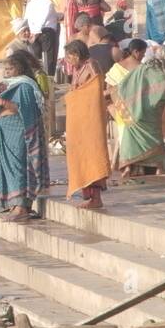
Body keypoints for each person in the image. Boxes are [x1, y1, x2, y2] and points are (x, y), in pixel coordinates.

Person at [0, 54, 49, 222]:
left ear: (20, 68)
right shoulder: (7, 86)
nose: (7, 72)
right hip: (3, 133)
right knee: (8, 169)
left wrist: (1, 102)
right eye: (5, 69)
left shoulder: (26, 86)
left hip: (17, 132)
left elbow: (24, 109)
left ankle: (22, 207)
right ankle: (14, 205)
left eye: (10, 69)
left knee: (18, 168)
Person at [113, 44, 165, 181]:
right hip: (152, 113)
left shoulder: (141, 68)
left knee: (130, 136)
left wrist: (133, 103)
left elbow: (122, 85)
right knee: (156, 138)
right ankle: (159, 167)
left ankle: (128, 167)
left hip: (134, 111)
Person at [63, 41, 110, 210]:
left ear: (76, 54)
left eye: (69, 57)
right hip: (80, 120)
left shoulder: (92, 65)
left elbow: (96, 87)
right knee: (81, 154)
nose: (68, 61)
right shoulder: (76, 70)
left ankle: (96, 197)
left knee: (92, 154)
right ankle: (88, 196)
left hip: (91, 119)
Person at [24, 0, 60, 78]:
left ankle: (39, 79)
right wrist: (36, 33)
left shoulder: (31, 2)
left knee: (37, 59)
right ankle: (49, 80)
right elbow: (43, 19)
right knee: (49, 59)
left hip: (34, 32)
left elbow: (27, 18)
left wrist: (32, 32)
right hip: (46, 33)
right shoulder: (48, 2)